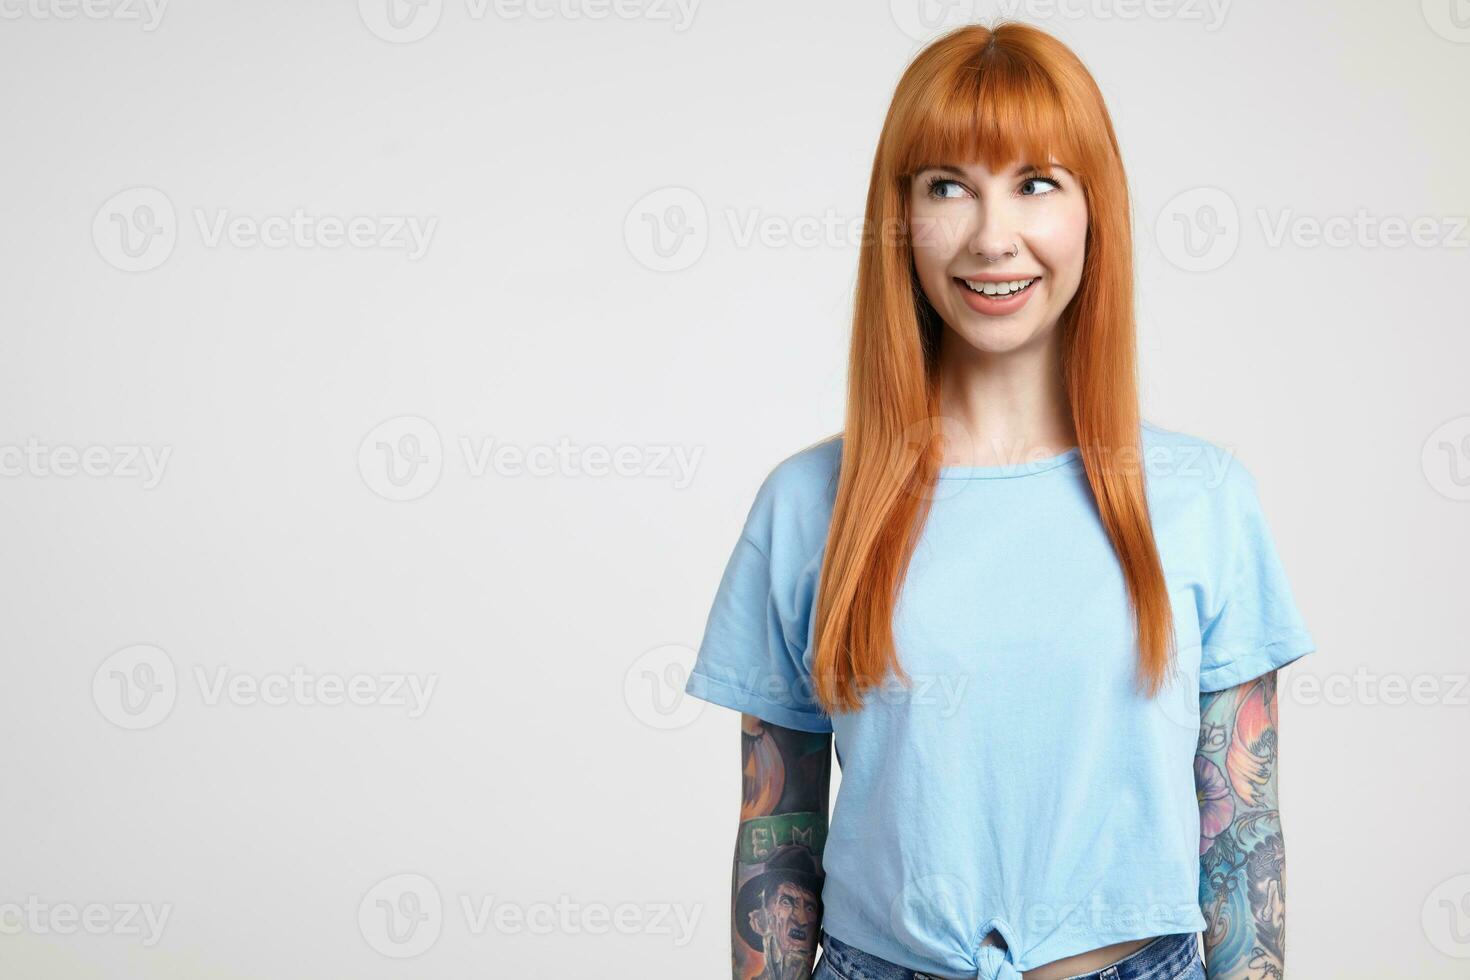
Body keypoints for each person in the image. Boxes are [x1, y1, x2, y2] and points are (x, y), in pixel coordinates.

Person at [684, 21, 1316, 980]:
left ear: (1092, 210)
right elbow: (778, 835)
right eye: (948, 185)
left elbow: (1242, 838)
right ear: (901, 216)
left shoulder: (1202, 500)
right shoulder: (808, 505)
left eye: (1036, 182)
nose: (991, 235)